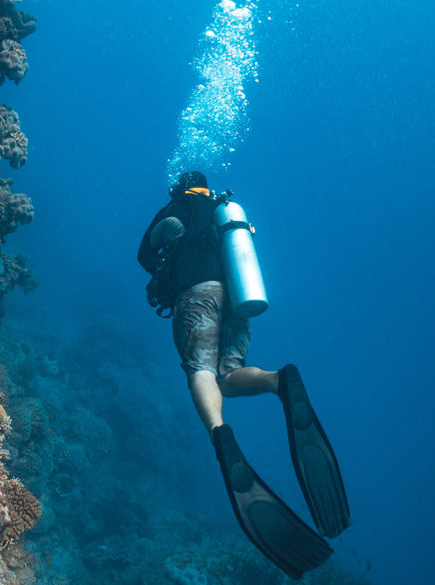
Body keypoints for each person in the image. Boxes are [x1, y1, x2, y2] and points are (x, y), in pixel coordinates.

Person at [137, 170, 350, 579]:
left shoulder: (177, 208)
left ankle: (219, 433)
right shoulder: (225, 211)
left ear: (180, 187)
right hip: (238, 296)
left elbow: (144, 255)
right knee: (229, 376)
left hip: (196, 294)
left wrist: (165, 256)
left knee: (200, 369)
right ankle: (278, 381)